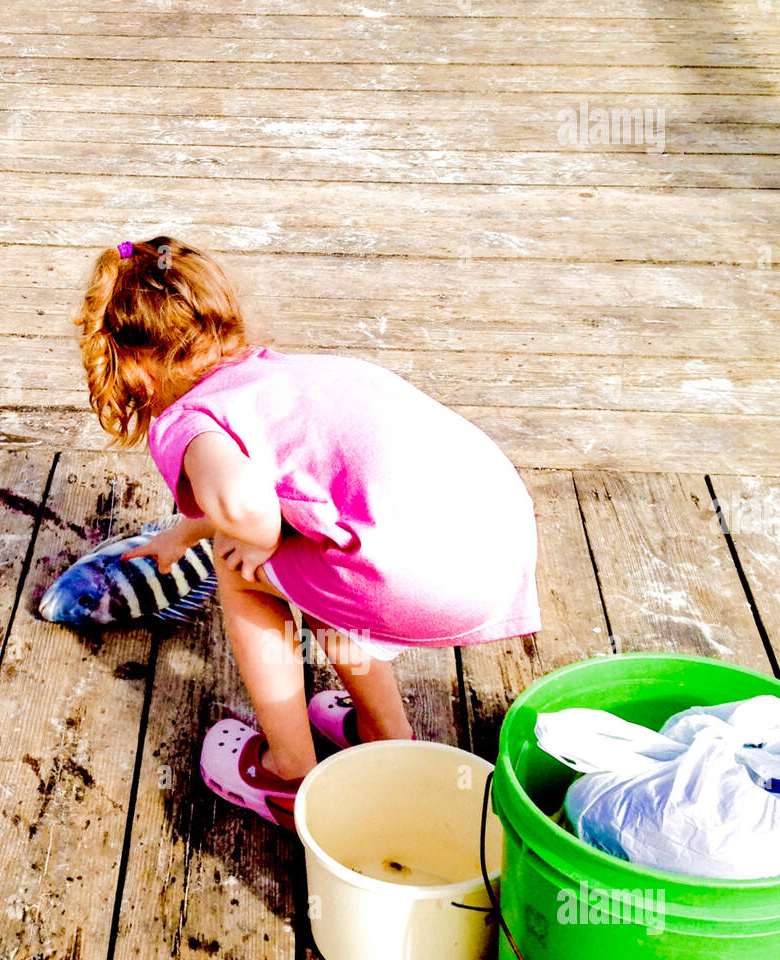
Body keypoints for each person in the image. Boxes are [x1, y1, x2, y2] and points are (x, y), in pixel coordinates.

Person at [76, 236, 541, 828]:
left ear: (131, 364)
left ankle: (287, 771)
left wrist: (256, 538)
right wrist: (186, 531)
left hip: (426, 583)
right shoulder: (275, 378)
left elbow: (246, 504)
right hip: (494, 545)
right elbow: (298, 495)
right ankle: (383, 734)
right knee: (313, 558)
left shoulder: (187, 420)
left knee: (239, 566)